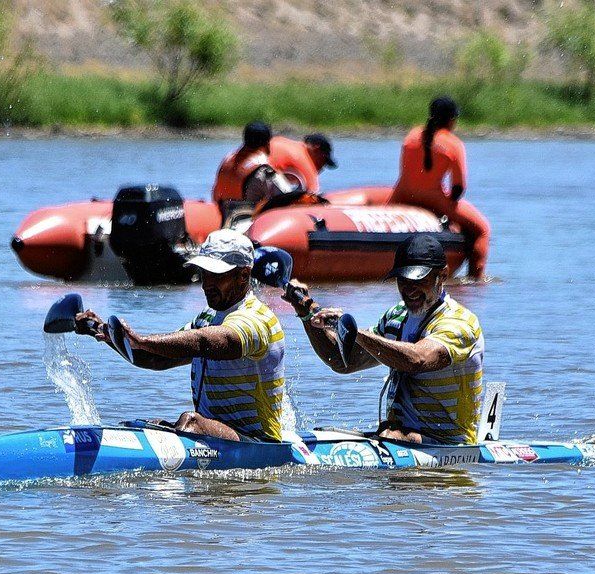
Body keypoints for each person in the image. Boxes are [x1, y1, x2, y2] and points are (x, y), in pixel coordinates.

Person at [76, 229, 289, 442]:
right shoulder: (207, 318)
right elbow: (154, 357)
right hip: (216, 435)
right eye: (204, 273)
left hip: (258, 442)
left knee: (190, 422)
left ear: (243, 275)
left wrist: (141, 340)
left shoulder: (257, 319)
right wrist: (102, 330)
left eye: (216, 275)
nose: (207, 284)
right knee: (147, 425)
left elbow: (206, 342)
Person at [283, 233, 484, 445]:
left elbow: (417, 360)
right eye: (403, 280)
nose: (409, 289)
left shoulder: (459, 323)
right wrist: (305, 312)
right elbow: (342, 362)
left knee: (394, 436)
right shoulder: (395, 317)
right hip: (398, 437)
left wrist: (355, 333)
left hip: (449, 443)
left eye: (419, 280)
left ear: (442, 275)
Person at [389, 96, 491, 280]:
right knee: (482, 229)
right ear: (452, 120)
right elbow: (458, 189)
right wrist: (447, 213)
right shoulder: (453, 143)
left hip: (402, 195)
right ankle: (476, 278)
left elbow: (407, 173)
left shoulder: (411, 136)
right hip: (434, 199)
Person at [212, 121, 293, 209]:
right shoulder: (263, 170)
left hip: (226, 218)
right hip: (250, 219)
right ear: (267, 144)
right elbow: (290, 197)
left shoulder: (226, 161)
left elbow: (215, 195)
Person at [268, 133, 337, 193]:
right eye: (322, 162)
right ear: (316, 149)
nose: (321, 169)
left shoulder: (278, 140)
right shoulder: (303, 159)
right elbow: (313, 192)